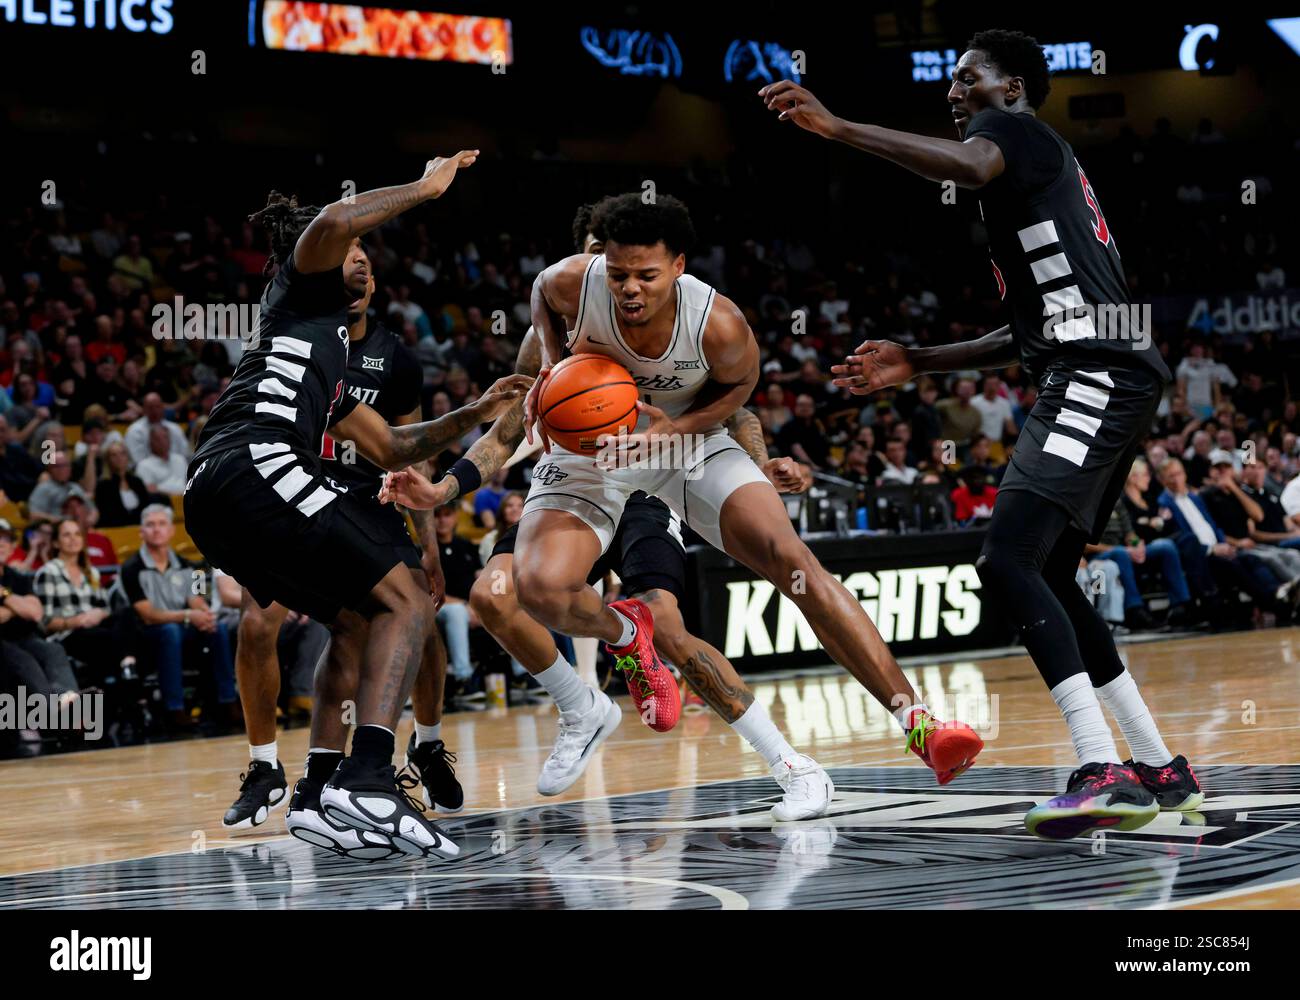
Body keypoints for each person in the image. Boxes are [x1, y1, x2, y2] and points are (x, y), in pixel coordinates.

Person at [770, 28, 1200, 837]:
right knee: (1052, 574)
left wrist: (839, 129)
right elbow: (1032, 329)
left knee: (1005, 559)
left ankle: (1097, 766)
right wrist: (917, 360)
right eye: (953, 81)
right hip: (1110, 366)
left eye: (970, 79)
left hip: (1096, 373)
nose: (955, 92)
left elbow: (965, 164)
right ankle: (1155, 765)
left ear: (1013, 89)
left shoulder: (1016, 136)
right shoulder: (1038, 182)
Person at [486, 193, 982, 786]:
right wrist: (549, 359)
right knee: (538, 590)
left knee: (791, 561)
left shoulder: (716, 323)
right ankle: (622, 641)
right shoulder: (573, 282)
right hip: (591, 453)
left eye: (646, 275)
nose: (630, 290)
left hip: (684, 443)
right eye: (618, 275)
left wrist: (676, 427)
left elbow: (740, 388)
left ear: (678, 266)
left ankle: (920, 724)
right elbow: (541, 289)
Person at [183, 154, 531, 861]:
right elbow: (337, 218)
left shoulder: (324, 359)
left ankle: (317, 790)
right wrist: (428, 188)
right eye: (354, 251)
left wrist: (476, 409)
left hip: (223, 493)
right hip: (253, 465)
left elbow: (394, 448)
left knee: (355, 618)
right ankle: (371, 776)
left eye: (370, 254)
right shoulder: (298, 284)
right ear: (318, 254)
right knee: (408, 595)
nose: (362, 259)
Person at [221, 255, 461, 835]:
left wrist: (427, 539)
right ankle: (264, 767)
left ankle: (425, 744)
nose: (355, 281)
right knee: (258, 623)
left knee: (419, 621)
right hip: (294, 495)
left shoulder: (395, 357)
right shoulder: (294, 335)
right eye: (343, 269)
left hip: (368, 500)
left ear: (374, 285)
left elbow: (411, 448)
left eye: (366, 270)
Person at [119, 504, 238, 731]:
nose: (156, 530)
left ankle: (227, 702)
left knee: (219, 628)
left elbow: (198, 601)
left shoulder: (191, 567)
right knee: (169, 632)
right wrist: (187, 615)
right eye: (150, 525)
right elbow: (147, 614)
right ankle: (174, 708)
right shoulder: (130, 568)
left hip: (182, 627)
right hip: (147, 634)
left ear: (172, 530)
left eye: (162, 524)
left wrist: (204, 616)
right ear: (141, 532)